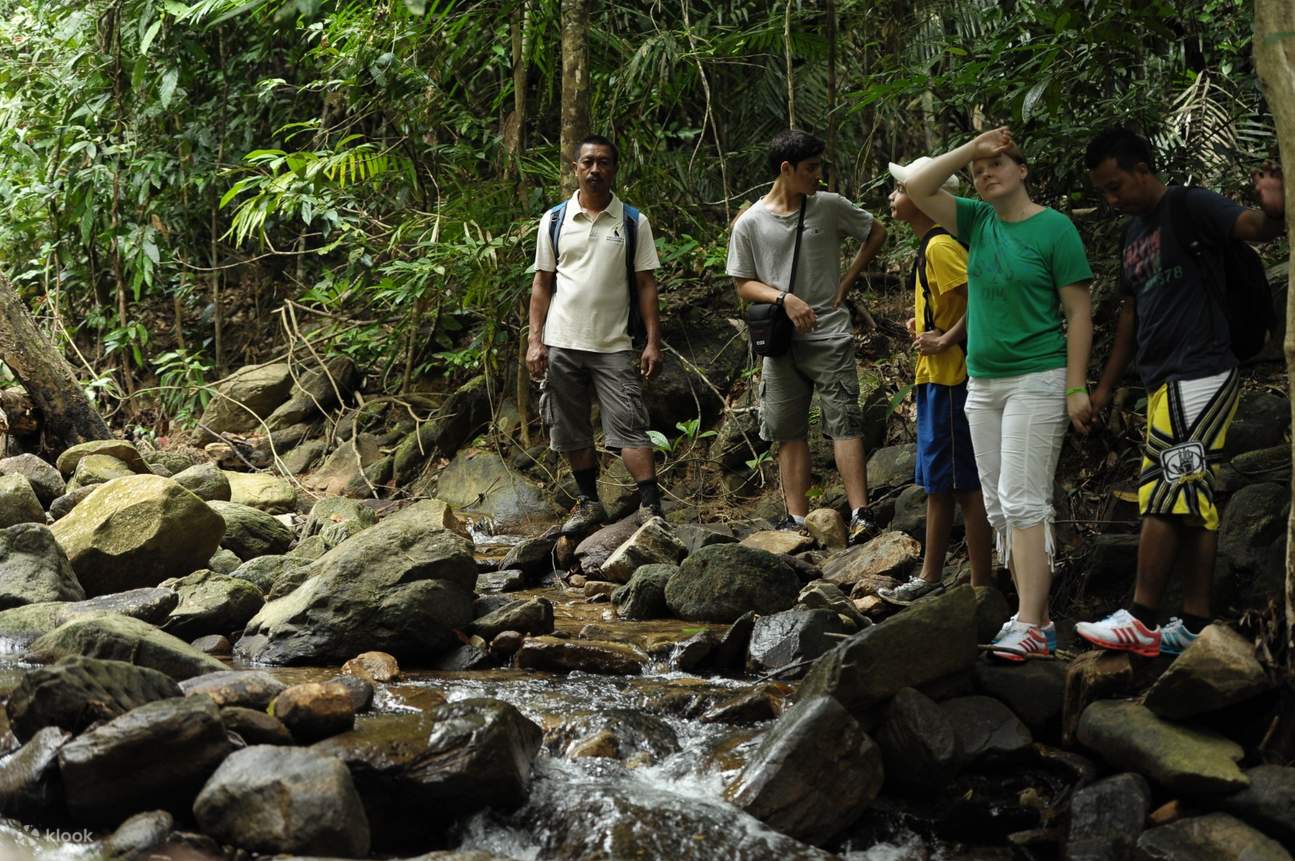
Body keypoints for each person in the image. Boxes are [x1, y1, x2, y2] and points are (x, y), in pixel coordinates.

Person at [1075, 128, 1286, 656]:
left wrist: (1274, 206)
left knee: (1165, 492)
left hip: (1202, 369)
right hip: (1161, 380)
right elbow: (1130, 316)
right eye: (1103, 191)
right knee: (1190, 497)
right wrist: (1105, 387)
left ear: (1143, 169)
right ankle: (1193, 624)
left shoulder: (1190, 205)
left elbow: (1257, 228)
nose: (1112, 199)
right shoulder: (1132, 235)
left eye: (1116, 186)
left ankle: (1142, 619)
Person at [904, 128, 1095, 661]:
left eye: (997, 164)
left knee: (1023, 498)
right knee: (996, 505)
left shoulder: (1054, 229)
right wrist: (972, 148)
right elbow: (917, 185)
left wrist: (1076, 385)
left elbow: (1080, 312)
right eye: (978, 170)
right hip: (982, 384)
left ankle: (1032, 622)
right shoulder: (976, 220)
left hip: (1037, 378)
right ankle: (1032, 617)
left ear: (1022, 171)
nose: (986, 174)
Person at [727, 128, 887, 544]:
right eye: (811, 168)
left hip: (830, 334)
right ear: (787, 169)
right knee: (787, 429)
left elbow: (876, 231)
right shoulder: (750, 223)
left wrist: (847, 282)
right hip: (780, 341)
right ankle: (796, 519)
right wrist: (784, 298)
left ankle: (861, 513)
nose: (818, 175)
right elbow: (743, 283)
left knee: (844, 420)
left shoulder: (829, 207)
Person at [527, 134, 665, 538]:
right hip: (562, 342)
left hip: (613, 344)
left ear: (614, 169)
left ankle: (652, 506)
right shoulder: (555, 220)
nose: (595, 170)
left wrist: (653, 341)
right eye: (587, 162)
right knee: (569, 427)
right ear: (575, 168)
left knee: (629, 425)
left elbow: (646, 285)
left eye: (603, 162)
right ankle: (589, 502)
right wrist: (535, 341)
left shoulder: (633, 222)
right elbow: (542, 283)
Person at [878, 159, 994, 605]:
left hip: (952, 379)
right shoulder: (932, 245)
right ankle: (931, 576)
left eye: (900, 189)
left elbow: (981, 298)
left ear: (926, 199)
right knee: (939, 483)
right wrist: (927, 322)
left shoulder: (941, 247)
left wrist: (945, 337)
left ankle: (981, 587)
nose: (893, 196)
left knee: (964, 484)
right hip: (937, 378)